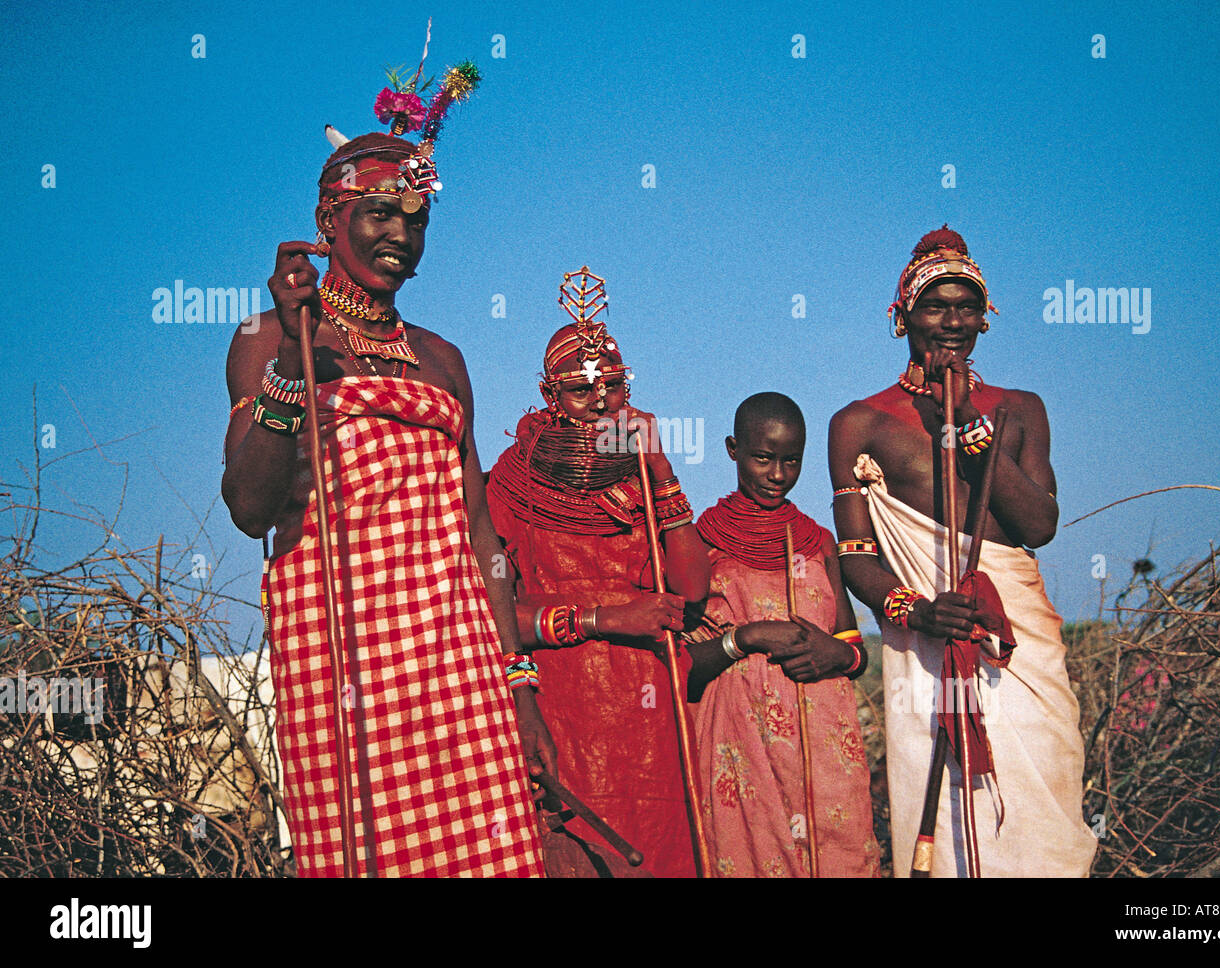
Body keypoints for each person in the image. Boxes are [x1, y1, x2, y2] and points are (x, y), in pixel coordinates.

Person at [221, 61, 550, 876]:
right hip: (348, 666)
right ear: (328, 220)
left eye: (418, 218)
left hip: (462, 662)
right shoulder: (270, 339)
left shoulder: (442, 360)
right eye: (378, 214)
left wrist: (520, 683)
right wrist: (295, 371)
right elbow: (248, 506)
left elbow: (481, 533)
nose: (401, 235)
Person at [828, 226, 1096, 877]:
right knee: (945, 823)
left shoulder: (1018, 410)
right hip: (924, 646)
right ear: (903, 319)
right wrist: (916, 611)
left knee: (1047, 799)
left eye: (966, 306)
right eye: (935, 306)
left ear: (984, 317)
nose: (952, 321)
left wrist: (970, 419)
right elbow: (854, 554)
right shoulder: (858, 423)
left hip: (1018, 647)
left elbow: (1039, 524)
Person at [485, 267, 710, 877]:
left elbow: (692, 592)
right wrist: (609, 617)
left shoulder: (640, 474)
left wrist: (660, 467)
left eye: (612, 386)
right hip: (556, 709)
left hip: (651, 714)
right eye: (581, 390)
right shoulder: (512, 479)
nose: (600, 402)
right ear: (548, 392)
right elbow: (492, 613)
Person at [683, 392, 881, 877]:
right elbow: (680, 667)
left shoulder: (818, 544)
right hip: (737, 746)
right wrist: (744, 638)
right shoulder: (699, 546)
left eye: (791, 461)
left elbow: (855, 649)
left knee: (839, 854)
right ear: (733, 449)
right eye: (763, 458)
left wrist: (834, 653)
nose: (777, 475)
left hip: (825, 746)